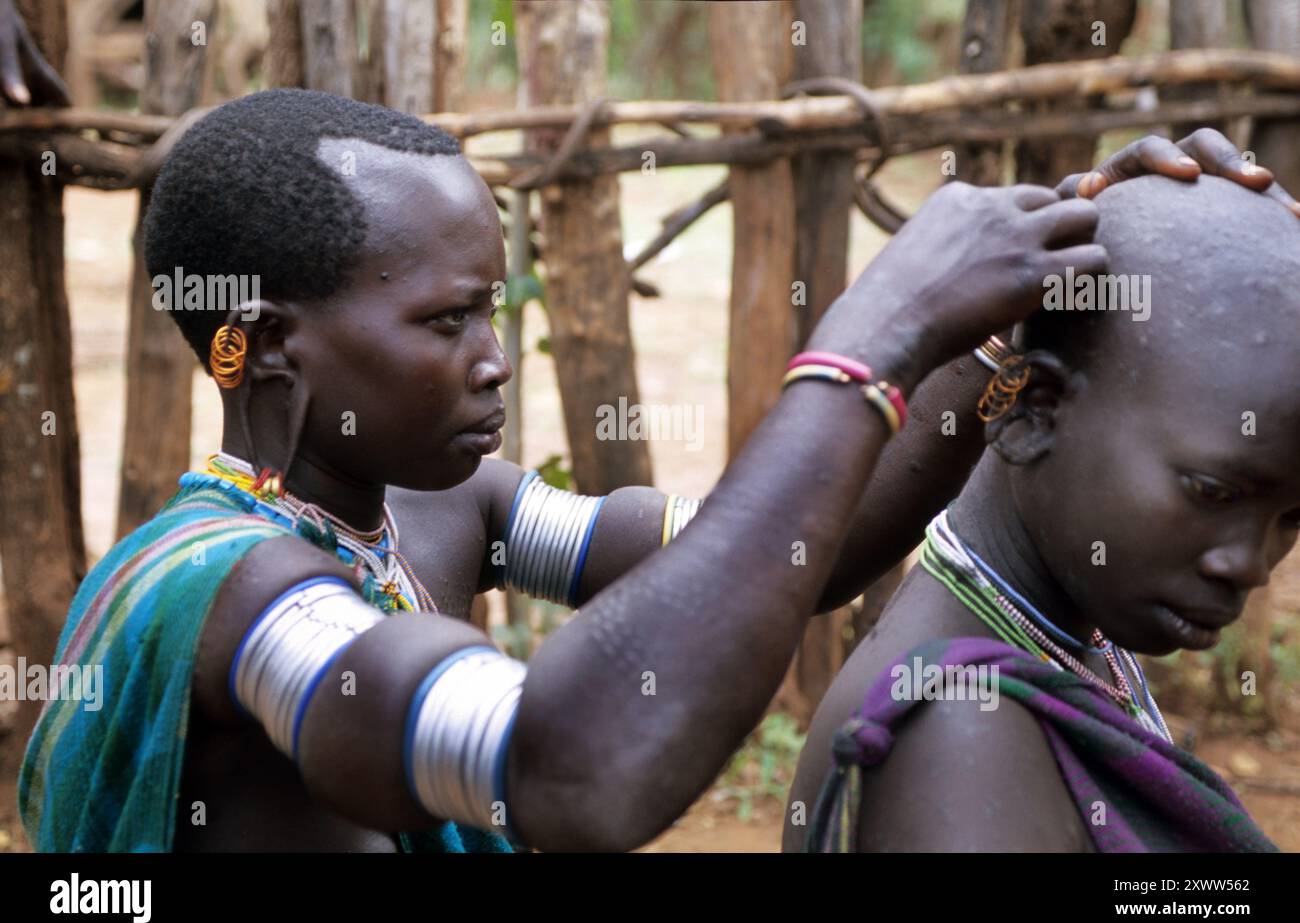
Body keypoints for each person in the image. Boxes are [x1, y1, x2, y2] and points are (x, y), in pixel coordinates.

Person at [14, 83, 1276, 852]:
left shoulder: (449, 510)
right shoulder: (234, 604)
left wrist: (1038, 285)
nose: (492, 359)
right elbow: (567, 768)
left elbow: (794, 552)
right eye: (444, 321)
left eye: (492, 311)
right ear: (268, 347)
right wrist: (863, 347)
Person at [784, 171, 1297, 853]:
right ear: (1032, 412)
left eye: (1293, 517)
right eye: (1212, 490)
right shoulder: (961, 740)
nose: (1251, 564)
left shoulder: (1075, 646)